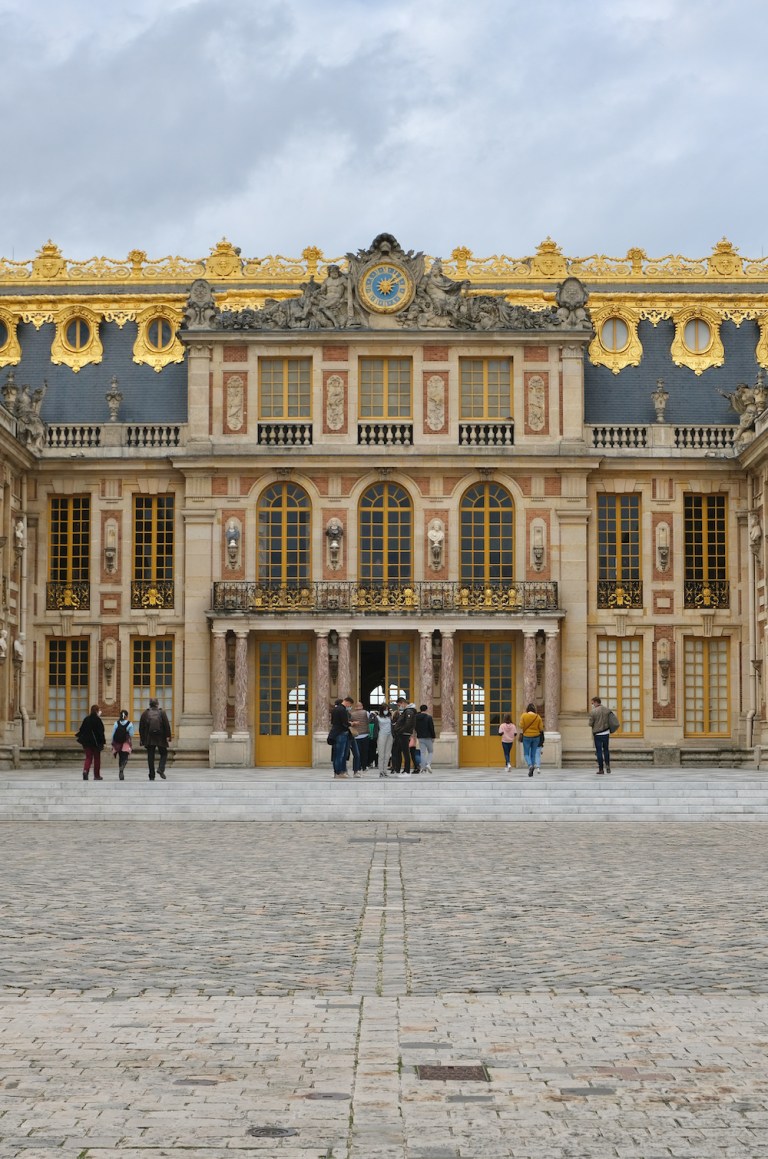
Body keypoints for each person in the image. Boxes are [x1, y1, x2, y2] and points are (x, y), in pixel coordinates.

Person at [139, 697, 171, 781]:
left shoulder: (145, 713)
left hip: (149, 737)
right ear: (157, 704)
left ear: (149, 704)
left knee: (150, 757)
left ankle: (151, 775)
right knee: (164, 753)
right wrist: (168, 736)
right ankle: (160, 769)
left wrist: (142, 739)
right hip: (161, 736)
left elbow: (141, 728)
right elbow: (167, 725)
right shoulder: (162, 712)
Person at [76, 704, 105, 780]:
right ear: (96, 711)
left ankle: (85, 771)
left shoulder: (86, 719)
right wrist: (102, 742)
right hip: (96, 743)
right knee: (97, 759)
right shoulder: (98, 720)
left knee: (88, 758)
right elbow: (101, 732)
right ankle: (96, 775)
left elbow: (81, 730)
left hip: (87, 743)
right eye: (99, 710)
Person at [391, 698, 417, 776]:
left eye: (399, 705)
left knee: (406, 753)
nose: (399, 707)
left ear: (402, 703)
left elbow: (408, 724)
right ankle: (399, 769)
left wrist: (399, 730)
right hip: (402, 734)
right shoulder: (407, 711)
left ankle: (407, 770)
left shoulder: (409, 711)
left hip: (404, 734)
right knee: (399, 751)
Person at [519, 702, 544, 777]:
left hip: (526, 736)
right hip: (536, 737)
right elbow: (541, 728)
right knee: (533, 754)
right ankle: (532, 768)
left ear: (527, 709)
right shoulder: (538, 717)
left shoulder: (524, 715)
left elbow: (521, 725)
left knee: (526, 753)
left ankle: (530, 765)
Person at [588, 696, 612, 775]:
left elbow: (590, 723)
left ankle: (601, 769)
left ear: (595, 702)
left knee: (599, 751)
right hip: (606, 732)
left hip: (598, 734)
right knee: (606, 750)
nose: (592, 704)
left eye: (592, 703)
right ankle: (608, 765)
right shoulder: (607, 710)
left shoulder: (593, 712)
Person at [328, 697, 351, 778]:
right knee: (340, 754)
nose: (349, 706)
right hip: (341, 733)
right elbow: (345, 723)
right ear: (347, 702)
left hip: (335, 733)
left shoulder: (334, 710)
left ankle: (336, 772)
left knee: (336, 754)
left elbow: (332, 721)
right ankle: (339, 772)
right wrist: (352, 724)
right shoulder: (342, 710)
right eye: (350, 705)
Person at [111, 709, 134, 780]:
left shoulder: (116, 723)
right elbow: (131, 734)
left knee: (120, 757)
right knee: (125, 756)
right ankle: (123, 766)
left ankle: (121, 770)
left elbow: (113, 734)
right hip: (125, 743)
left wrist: (113, 743)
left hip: (118, 743)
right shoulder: (129, 724)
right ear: (126, 716)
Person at [349, 701, 370, 777]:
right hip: (365, 734)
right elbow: (369, 721)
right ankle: (364, 767)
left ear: (355, 707)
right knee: (364, 753)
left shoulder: (352, 714)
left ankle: (356, 768)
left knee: (356, 754)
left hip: (356, 735)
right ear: (362, 706)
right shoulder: (366, 713)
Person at [414, 704, 436, 773]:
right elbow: (431, 728)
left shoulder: (416, 717)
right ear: (426, 710)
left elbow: (415, 727)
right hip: (428, 737)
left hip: (420, 737)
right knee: (430, 751)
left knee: (422, 752)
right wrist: (433, 736)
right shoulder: (429, 717)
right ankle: (428, 764)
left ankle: (423, 768)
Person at [375, 704, 393, 777]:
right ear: (382, 710)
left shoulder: (389, 717)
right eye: (385, 709)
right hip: (381, 735)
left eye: (387, 709)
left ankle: (385, 771)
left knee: (387, 754)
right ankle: (381, 771)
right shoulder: (377, 717)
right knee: (381, 754)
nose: (386, 711)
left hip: (389, 736)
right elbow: (376, 727)